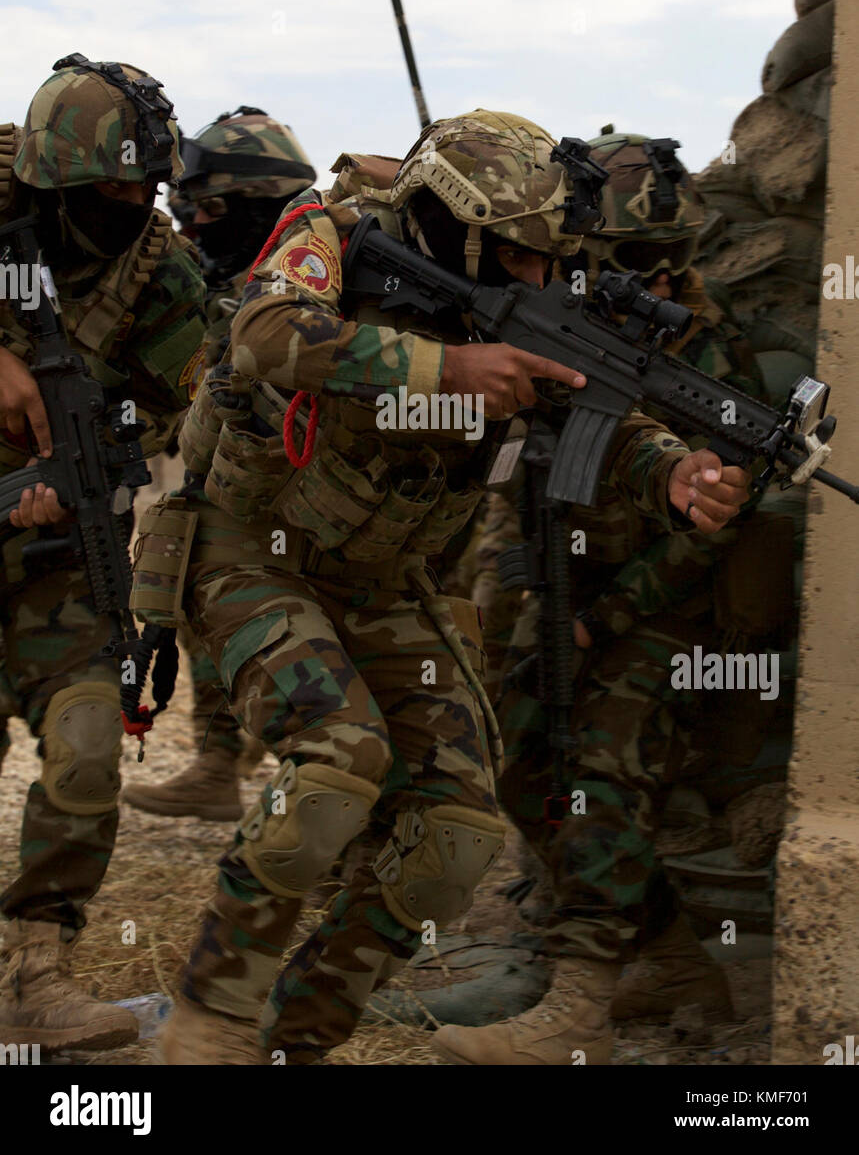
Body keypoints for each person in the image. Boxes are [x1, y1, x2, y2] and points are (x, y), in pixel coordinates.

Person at [141, 109, 750, 1064]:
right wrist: (447, 365)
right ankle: (208, 1026)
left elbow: (598, 415)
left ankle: (293, 1038)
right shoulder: (335, 233)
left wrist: (669, 472)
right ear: (452, 223)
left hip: (388, 579)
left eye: (551, 259)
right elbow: (264, 334)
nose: (539, 279)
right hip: (253, 551)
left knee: (455, 835)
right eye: (517, 257)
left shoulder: (533, 294)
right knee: (333, 774)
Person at [430, 130, 781, 1066]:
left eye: (674, 265)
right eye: (635, 265)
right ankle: (669, 958)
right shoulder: (548, 329)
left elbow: (718, 527)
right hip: (565, 585)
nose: (660, 286)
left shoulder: (711, 361)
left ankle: (579, 1002)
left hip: (666, 610)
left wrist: (601, 618)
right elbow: (516, 475)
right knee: (516, 762)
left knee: (599, 766)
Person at [0, 55, 206, 1052]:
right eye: (113, 187)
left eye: (148, 185)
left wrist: (86, 470)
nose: (135, 202)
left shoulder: (160, 276)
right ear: (51, 176)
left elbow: (163, 414)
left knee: (86, 751)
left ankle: (38, 970)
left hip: (61, 562)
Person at [124, 106, 316, 822]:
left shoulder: (316, 283)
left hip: (314, 515)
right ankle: (215, 765)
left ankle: (307, 788)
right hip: (233, 493)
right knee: (196, 585)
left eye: (208, 209)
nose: (193, 225)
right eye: (185, 209)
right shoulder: (224, 284)